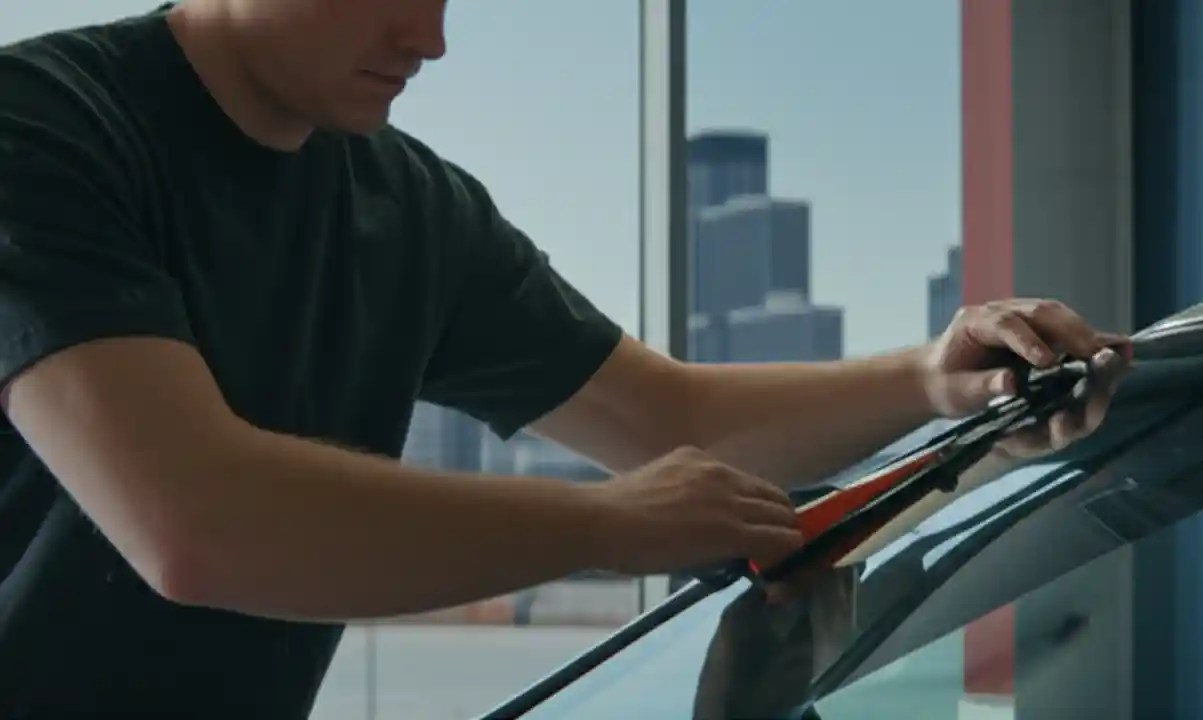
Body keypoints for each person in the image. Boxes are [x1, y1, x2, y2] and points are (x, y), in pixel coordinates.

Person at [0, 0, 1131, 715]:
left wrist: (928, 381)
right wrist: (609, 525)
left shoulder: (413, 206)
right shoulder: (44, 126)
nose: (430, 36)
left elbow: (661, 411)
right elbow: (196, 526)